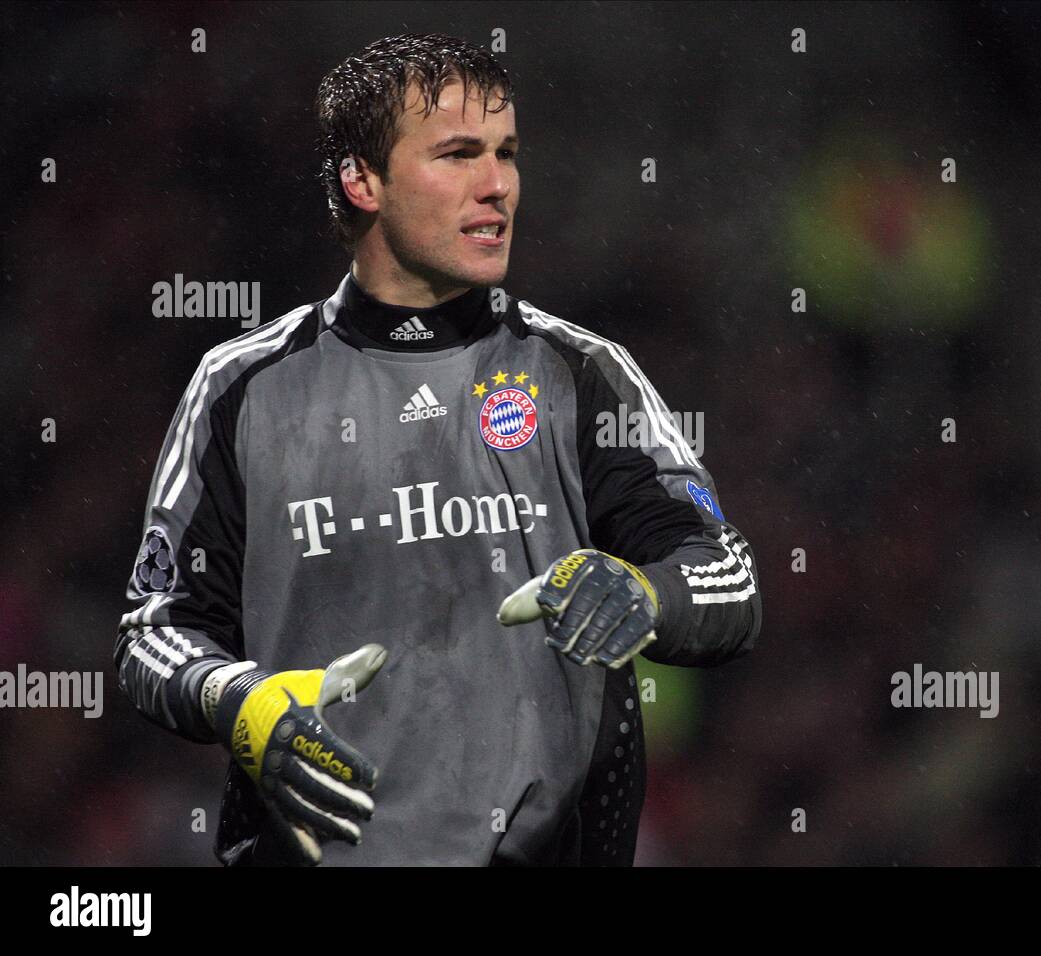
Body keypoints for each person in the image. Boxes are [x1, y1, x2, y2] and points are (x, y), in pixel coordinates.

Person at [113, 33, 760, 866]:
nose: (498, 186)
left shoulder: (579, 375)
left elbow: (728, 576)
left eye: (507, 154)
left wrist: (647, 591)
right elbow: (154, 631)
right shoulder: (242, 388)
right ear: (362, 180)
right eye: (458, 155)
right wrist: (237, 698)